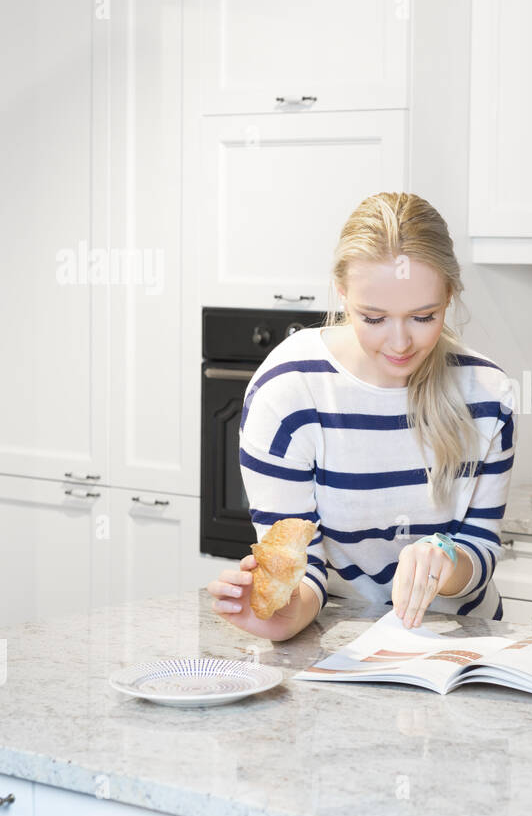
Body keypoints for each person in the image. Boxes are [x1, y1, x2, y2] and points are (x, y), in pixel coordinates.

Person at [205, 192, 515, 640]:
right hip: (340, 643)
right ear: (342, 293)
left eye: (424, 316)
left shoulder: (487, 396)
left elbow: (481, 550)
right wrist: (282, 614)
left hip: (461, 644)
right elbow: (301, 569)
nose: (400, 343)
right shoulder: (289, 394)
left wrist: (445, 562)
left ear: (450, 294)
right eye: (373, 318)